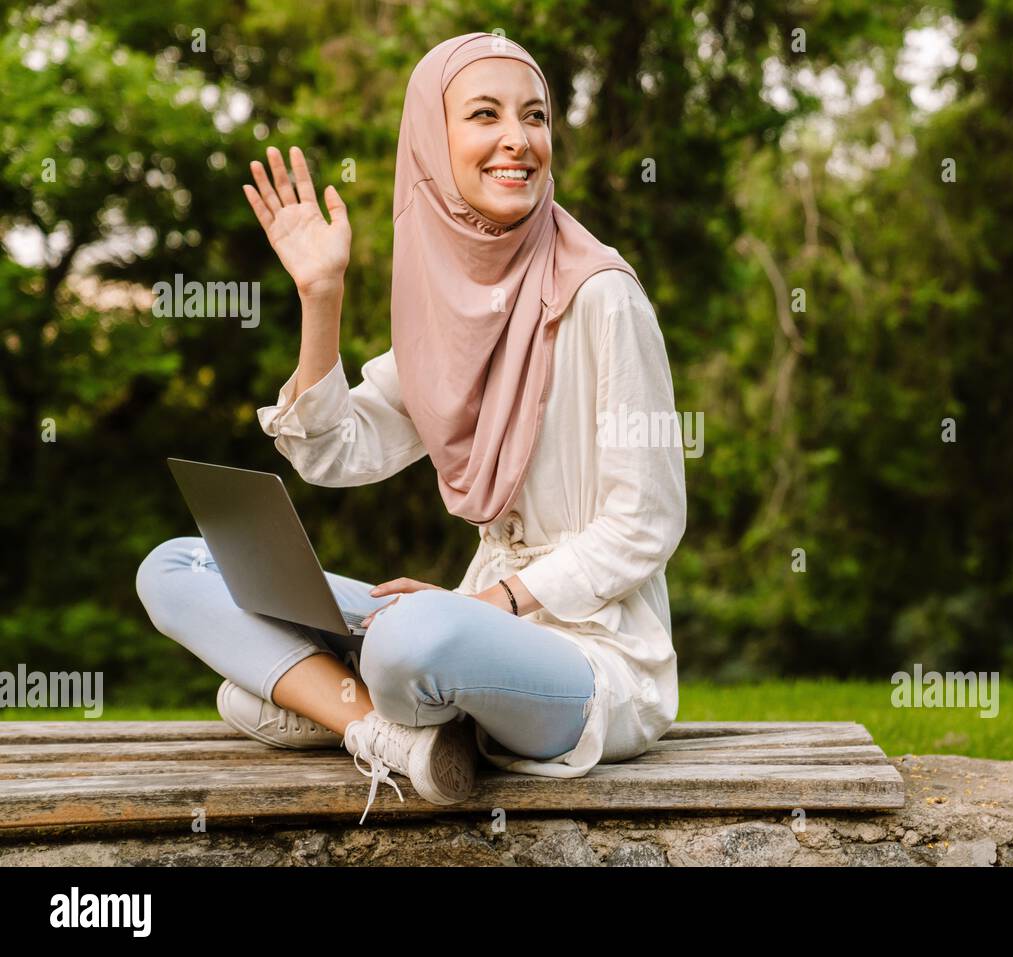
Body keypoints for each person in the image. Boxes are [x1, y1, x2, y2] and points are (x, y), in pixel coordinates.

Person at [135, 32, 688, 826]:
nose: (518, 140)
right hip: (471, 619)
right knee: (177, 564)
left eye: (534, 117)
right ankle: (390, 732)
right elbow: (334, 449)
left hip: (591, 657)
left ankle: (336, 702)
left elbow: (647, 520)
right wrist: (320, 296)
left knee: (397, 644)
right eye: (485, 115)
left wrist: (491, 603)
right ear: (433, 141)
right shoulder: (449, 314)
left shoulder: (601, 296)